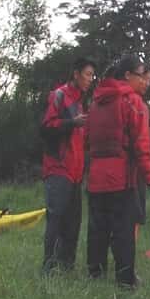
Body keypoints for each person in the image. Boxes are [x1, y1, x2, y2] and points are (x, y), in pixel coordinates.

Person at [86, 55, 150, 289]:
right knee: (123, 232)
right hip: (121, 178)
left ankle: (95, 274)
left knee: (97, 229)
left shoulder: (95, 102)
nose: (145, 82)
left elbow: (87, 139)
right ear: (127, 75)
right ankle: (125, 280)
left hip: (96, 176)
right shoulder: (134, 103)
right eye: (141, 76)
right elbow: (140, 145)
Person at [40, 57, 95, 274]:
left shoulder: (81, 102)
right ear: (76, 74)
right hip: (58, 169)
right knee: (56, 219)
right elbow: (45, 128)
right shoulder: (59, 95)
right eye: (88, 74)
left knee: (73, 222)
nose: (91, 79)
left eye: (92, 75)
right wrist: (72, 123)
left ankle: (67, 267)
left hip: (76, 172)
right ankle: (49, 267)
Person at [133, 65, 150, 241]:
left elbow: (144, 140)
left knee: (137, 215)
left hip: (139, 167)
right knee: (133, 215)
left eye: (149, 81)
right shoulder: (136, 106)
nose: (147, 83)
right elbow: (138, 142)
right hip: (135, 168)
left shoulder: (142, 106)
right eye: (144, 78)